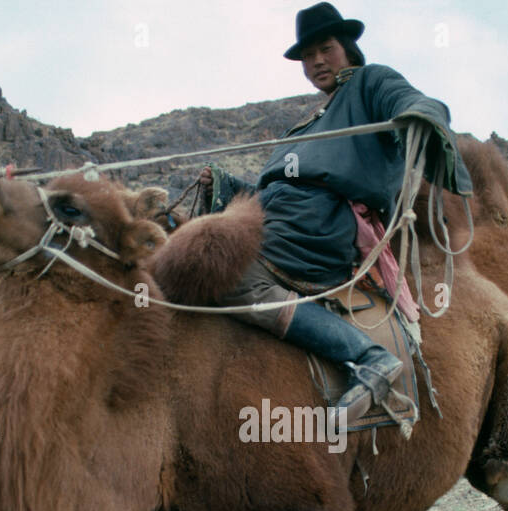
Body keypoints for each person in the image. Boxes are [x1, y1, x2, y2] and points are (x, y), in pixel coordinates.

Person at [198, 2, 472, 425]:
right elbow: (273, 191)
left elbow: (410, 100)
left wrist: (422, 113)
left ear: (346, 47)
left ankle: (370, 359)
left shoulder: (370, 82)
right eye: (308, 56)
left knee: (227, 275)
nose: (317, 61)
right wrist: (226, 187)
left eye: (325, 49)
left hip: (320, 226)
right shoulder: (309, 124)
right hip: (280, 217)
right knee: (186, 245)